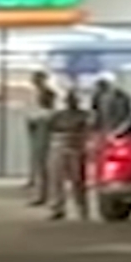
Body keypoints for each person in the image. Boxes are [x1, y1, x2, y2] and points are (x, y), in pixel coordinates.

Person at [45, 89, 94, 221]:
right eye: (69, 99)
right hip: (59, 147)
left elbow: (88, 129)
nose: (71, 102)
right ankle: (57, 208)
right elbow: (51, 128)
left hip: (76, 149)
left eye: (74, 99)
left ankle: (82, 208)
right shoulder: (58, 115)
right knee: (56, 179)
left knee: (77, 180)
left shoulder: (84, 115)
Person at [26, 70, 58, 205]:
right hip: (35, 124)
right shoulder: (35, 93)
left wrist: (37, 120)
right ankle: (41, 192)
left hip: (42, 125)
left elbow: (47, 111)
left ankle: (44, 194)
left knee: (42, 161)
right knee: (38, 161)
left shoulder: (48, 93)